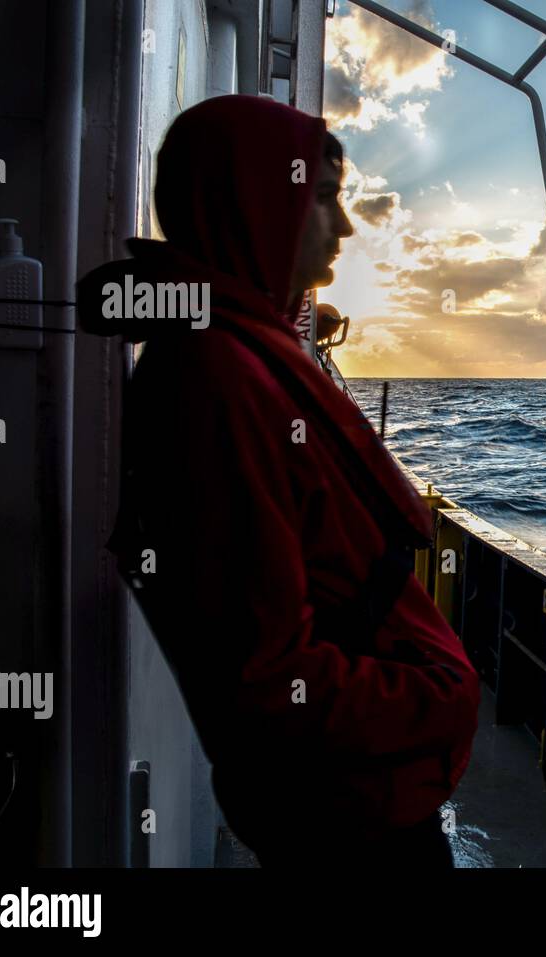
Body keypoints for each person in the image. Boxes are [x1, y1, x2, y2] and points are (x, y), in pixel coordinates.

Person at [76, 95, 480, 868]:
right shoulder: (215, 379)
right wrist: (444, 699)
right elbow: (267, 683)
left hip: (353, 798)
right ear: (258, 200)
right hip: (348, 824)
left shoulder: (232, 358)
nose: (346, 227)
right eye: (324, 198)